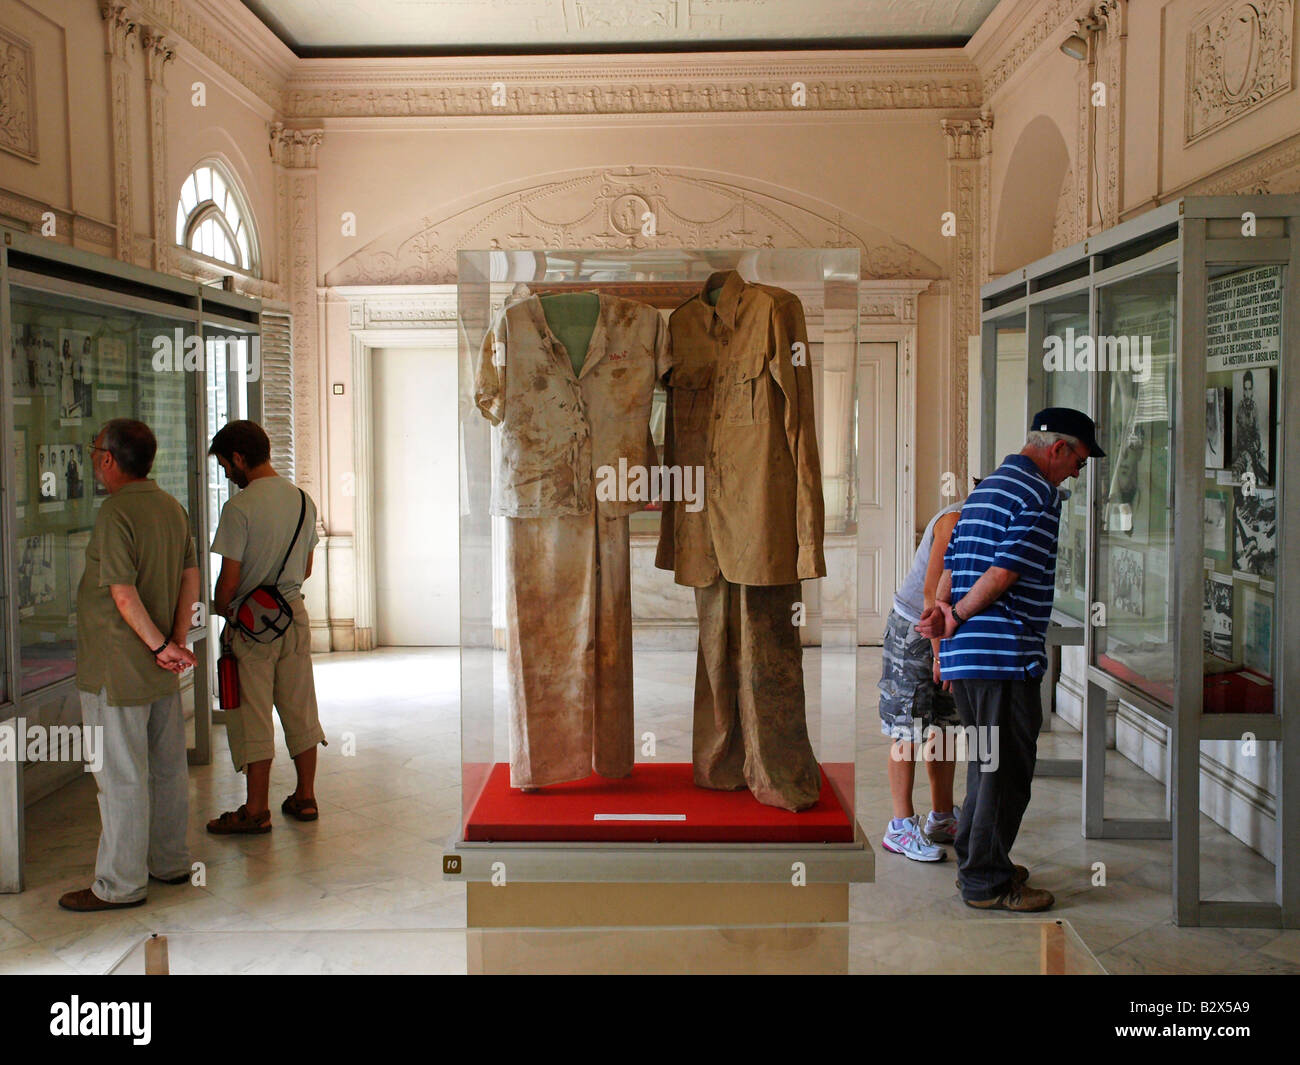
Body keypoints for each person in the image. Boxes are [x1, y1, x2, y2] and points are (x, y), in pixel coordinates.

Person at [917, 407, 1104, 912]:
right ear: (1059, 449)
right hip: (1003, 658)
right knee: (1004, 772)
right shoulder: (1040, 496)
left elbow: (951, 567)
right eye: (1079, 461)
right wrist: (951, 616)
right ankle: (987, 881)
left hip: (971, 660)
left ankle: (982, 862)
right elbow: (1002, 575)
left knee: (986, 765)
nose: (1077, 473)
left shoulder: (988, 488)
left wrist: (943, 622)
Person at [59, 420, 200, 912]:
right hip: (160, 668)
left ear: (108, 460)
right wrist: (176, 642)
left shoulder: (115, 512)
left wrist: (162, 644)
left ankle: (119, 884)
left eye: (96, 450)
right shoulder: (170, 506)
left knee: (119, 776)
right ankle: (171, 862)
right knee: (166, 770)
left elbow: (122, 594)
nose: (95, 458)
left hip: (118, 667)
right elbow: (190, 577)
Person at [206, 420, 325, 834]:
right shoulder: (303, 501)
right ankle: (305, 797)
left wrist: (225, 609)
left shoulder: (238, 509)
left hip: (251, 627)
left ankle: (255, 810)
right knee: (299, 705)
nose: (227, 475)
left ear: (239, 458)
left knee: (254, 714)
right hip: (293, 615)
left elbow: (230, 580)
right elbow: (306, 568)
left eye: (225, 466)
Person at [878, 493, 968, 862]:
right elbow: (932, 594)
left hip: (944, 632)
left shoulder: (982, 521)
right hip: (916, 628)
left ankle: (942, 817)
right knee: (908, 727)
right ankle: (899, 827)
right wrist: (939, 655)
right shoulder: (954, 521)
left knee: (945, 725)